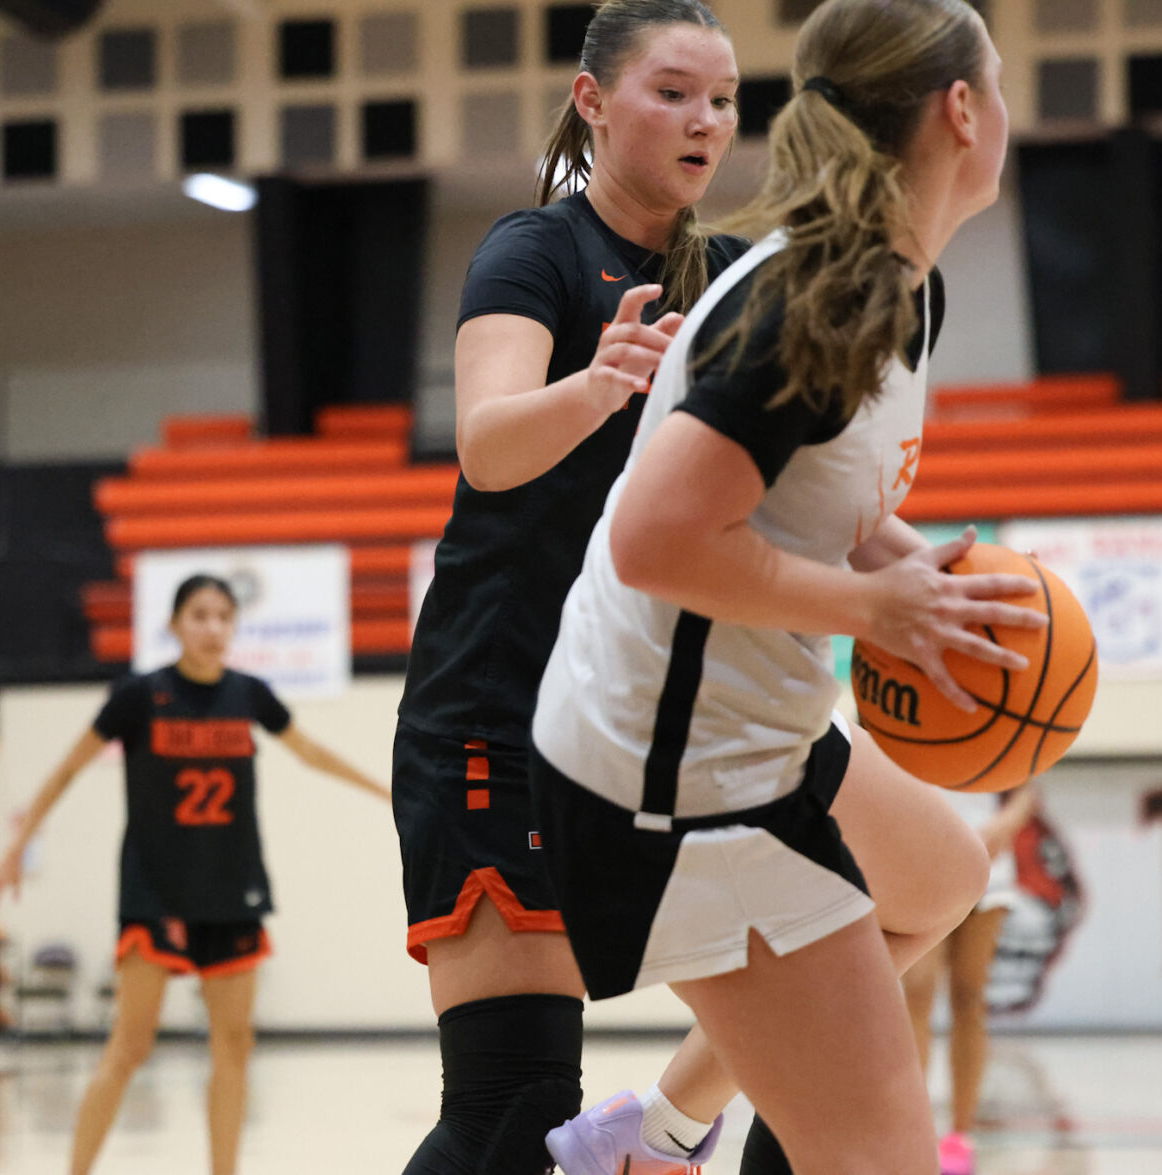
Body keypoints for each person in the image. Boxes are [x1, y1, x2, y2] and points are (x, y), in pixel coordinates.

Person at [528, 1, 1037, 1171]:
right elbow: (655, 540)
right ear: (959, 110)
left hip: (738, 730)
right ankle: (652, 1144)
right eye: (997, 83)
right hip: (669, 776)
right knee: (882, 1160)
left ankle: (647, 1136)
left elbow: (806, 502)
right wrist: (877, 611)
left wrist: (927, 578)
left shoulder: (899, 287)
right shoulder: (812, 296)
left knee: (942, 872)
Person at [389, 3, 749, 1171]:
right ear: (592, 101)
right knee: (510, 1105)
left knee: (836, 1022)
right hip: (502, 706)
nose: (705, 121)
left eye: (723, 99)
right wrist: (594, 385)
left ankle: (658, 1138)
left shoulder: (738, 278)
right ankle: (640, 1142)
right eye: (673, 92)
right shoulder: (535, 251)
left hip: (659, 717)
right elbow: (488, 444)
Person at [0, 573, 384, 1175]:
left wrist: (387, 790)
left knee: (234, 1047)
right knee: (130, 1046)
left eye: (223, 616)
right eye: (200, 615)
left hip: (232, 885)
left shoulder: (250, 695)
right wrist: (16, 848)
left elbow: (312, 752)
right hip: (156, 889)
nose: (213, 627)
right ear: (173, 625)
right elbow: (66, 770)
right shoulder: (139, 696)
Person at [901, 783, 1042, 1175]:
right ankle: (913, 1132)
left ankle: (961, 1136)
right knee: (916, 990)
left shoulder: (998, 727)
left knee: (968, 996)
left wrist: (1004, 825)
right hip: (922, 856)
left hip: (987, 856)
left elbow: (1028, 790)